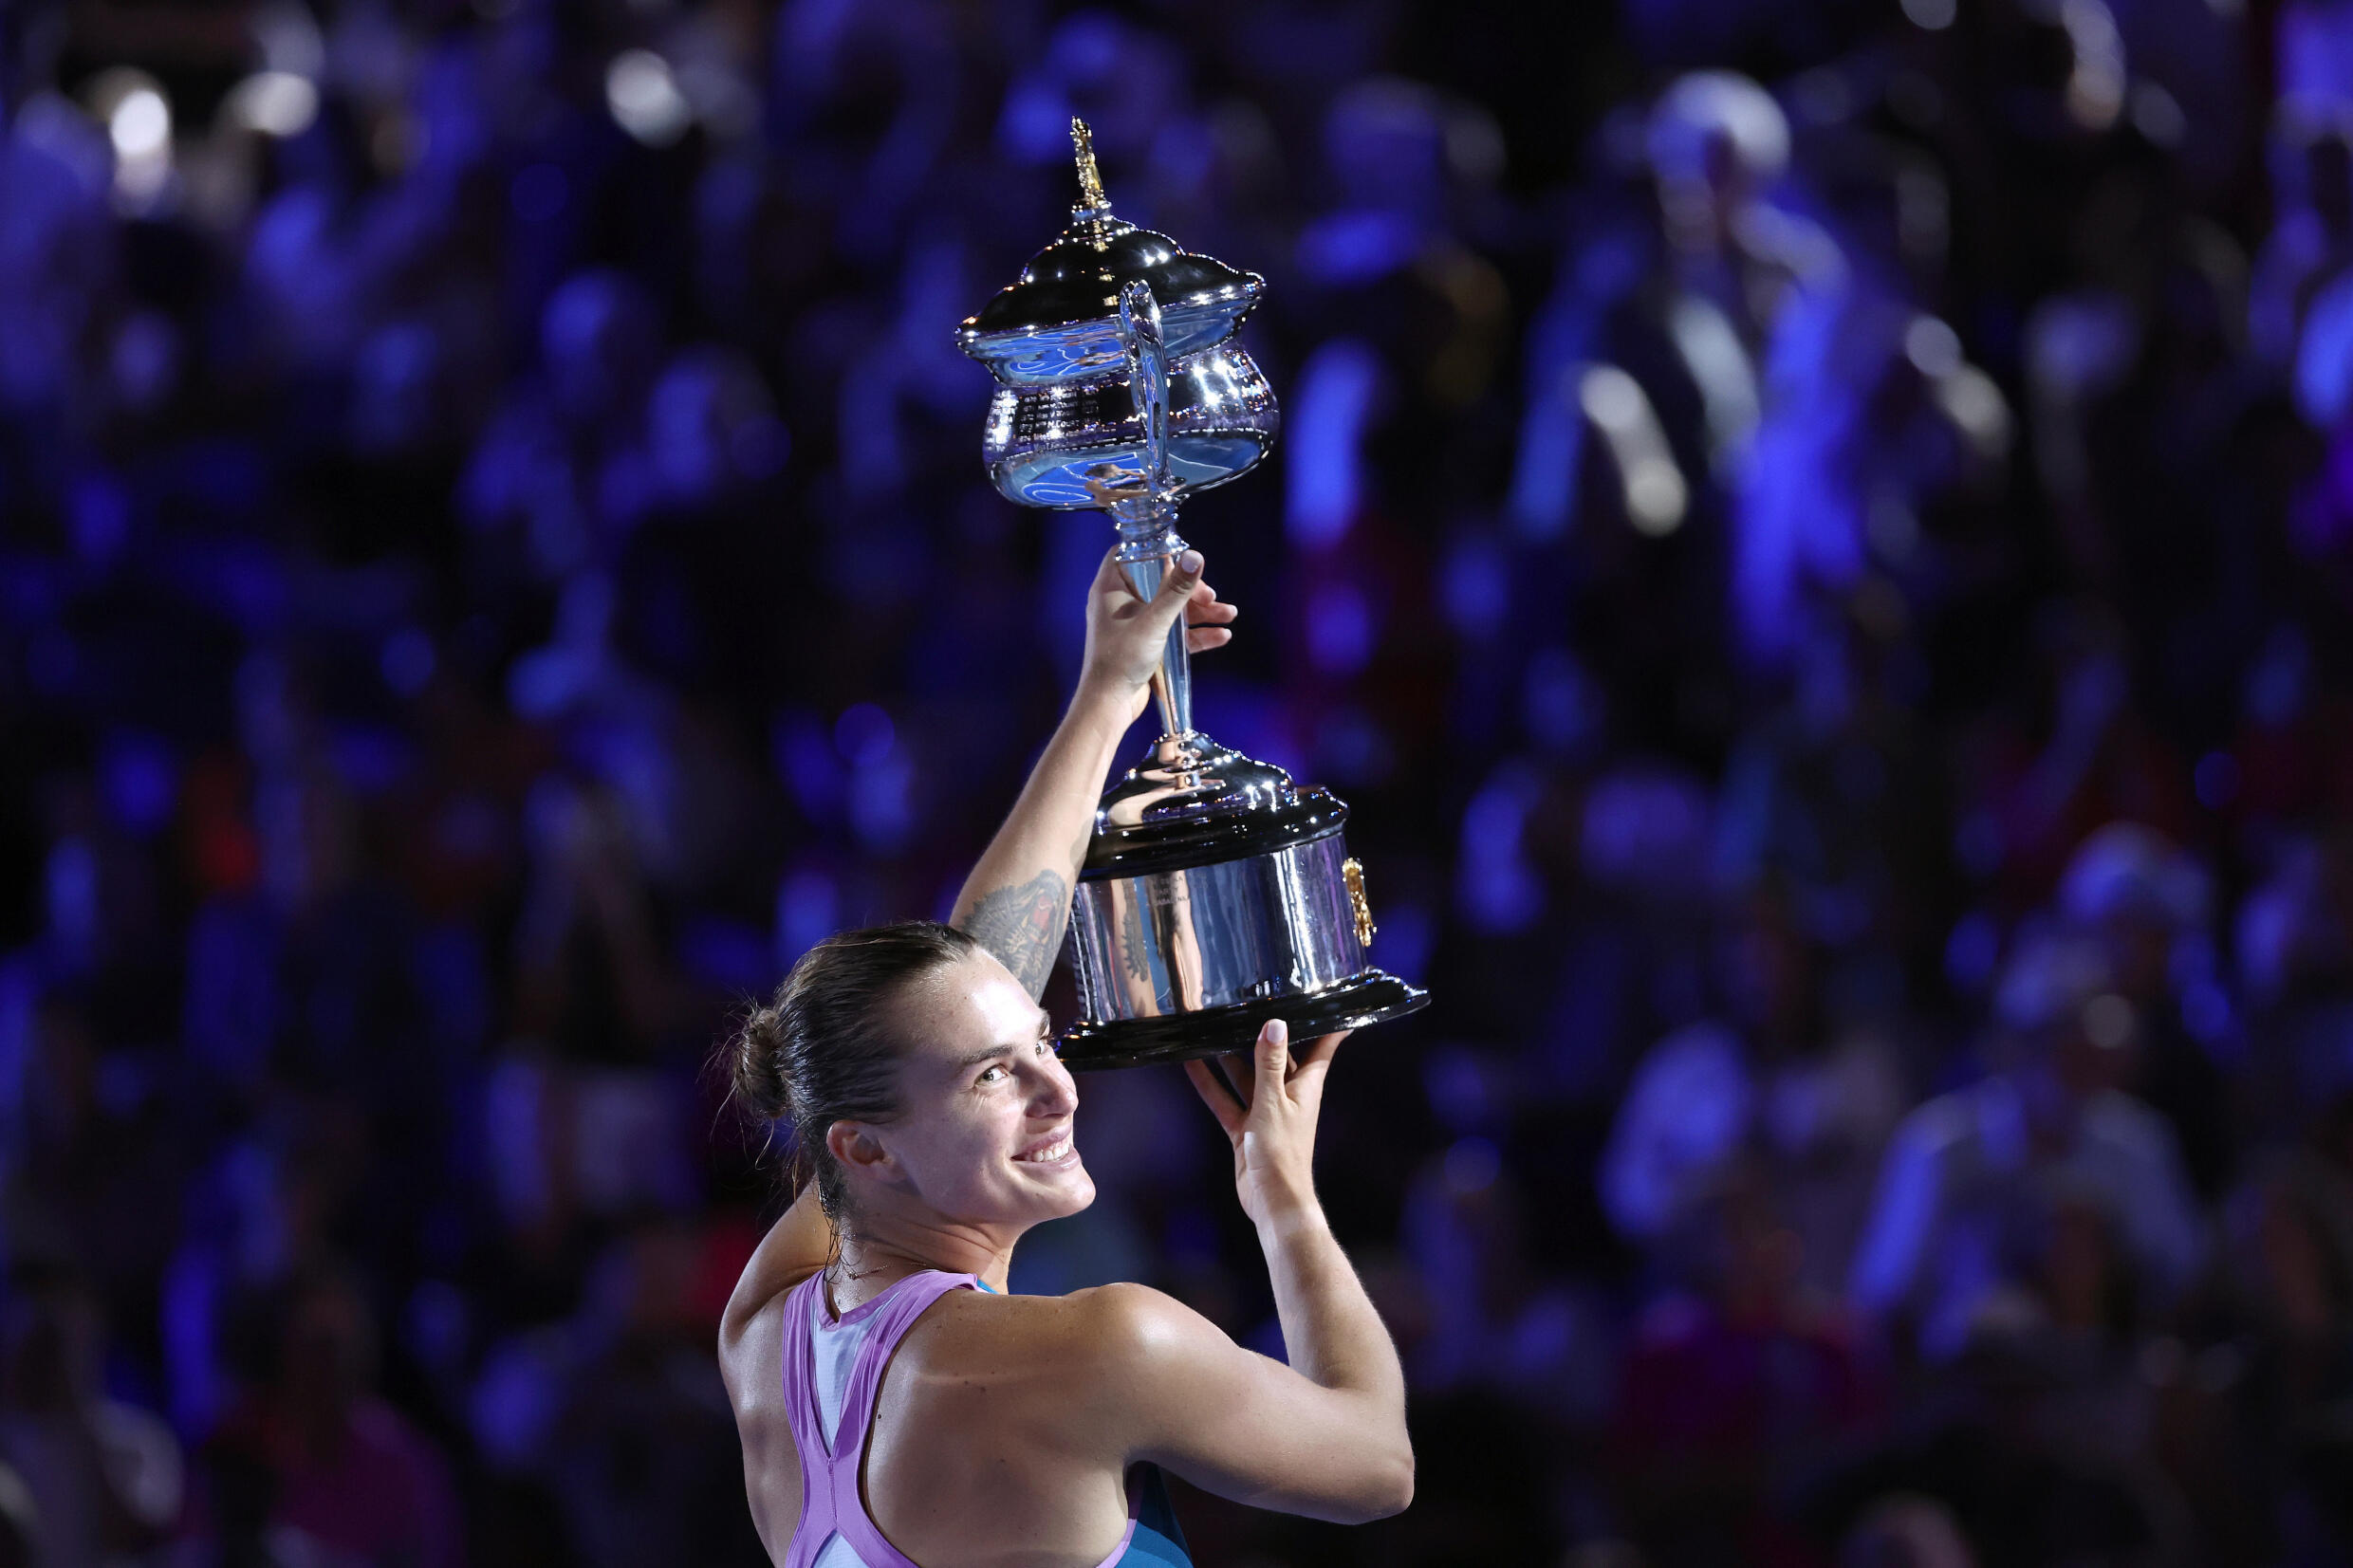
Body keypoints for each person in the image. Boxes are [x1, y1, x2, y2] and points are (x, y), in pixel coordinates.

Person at [716, 547, 1415, 1567]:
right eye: (994, 1076)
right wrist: (1284, 1201)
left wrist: (1105, 693)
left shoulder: (766, 1337)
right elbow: (1374, 1464)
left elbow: (964, 984)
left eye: (1041, 1044)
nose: (1060, 1088)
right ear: (864, 1151)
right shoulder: (1102, 1350)